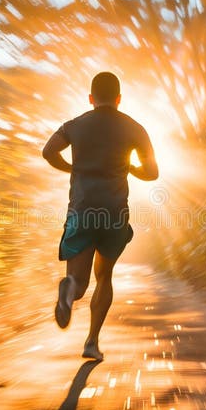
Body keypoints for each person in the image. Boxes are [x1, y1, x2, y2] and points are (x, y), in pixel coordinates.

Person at [42, 72, 158, 361]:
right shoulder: (135, 128)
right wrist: (129, 168)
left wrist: (73, 169)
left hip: (82, 211)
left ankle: (68, 291)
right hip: (114, 214)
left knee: (79, 282)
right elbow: (152, 173)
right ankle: (92, 342)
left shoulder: (76, 124)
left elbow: (48, 151)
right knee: (104, 277)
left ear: (91, 98)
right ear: (119, 99)